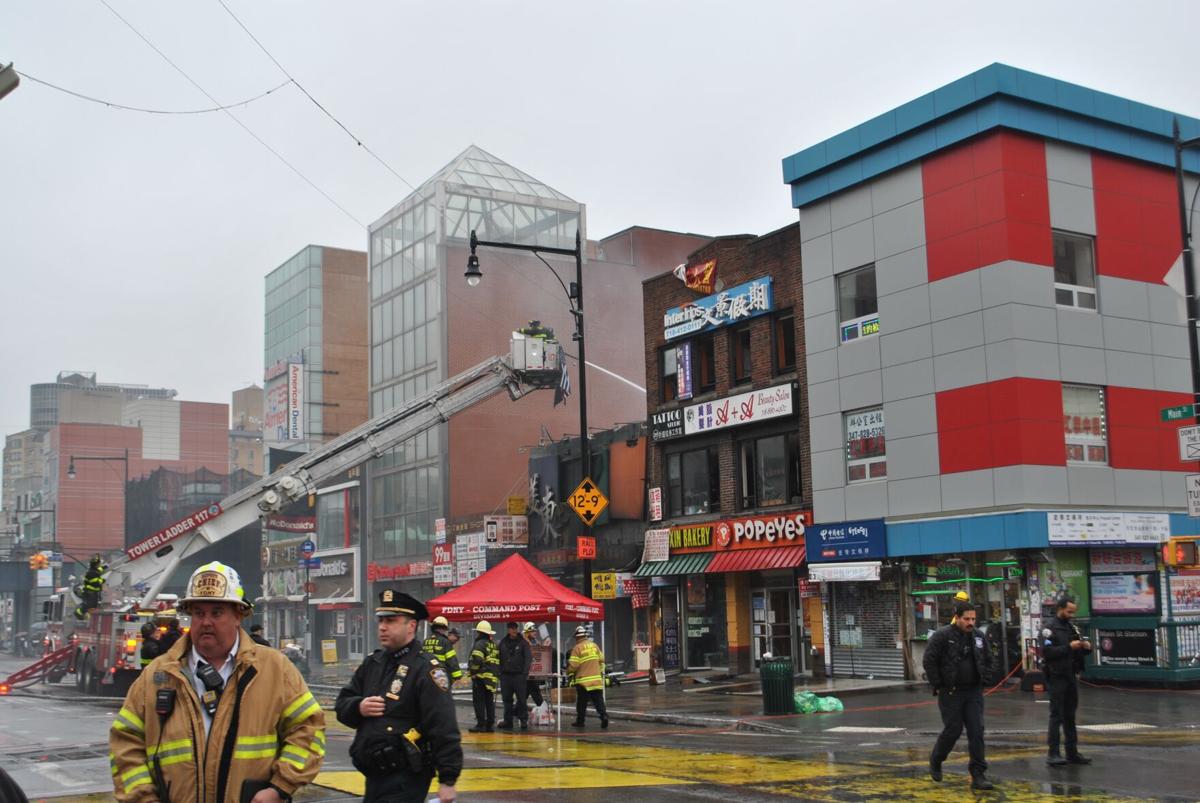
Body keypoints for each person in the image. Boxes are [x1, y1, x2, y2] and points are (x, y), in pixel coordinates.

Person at [110, 561, 325, 803]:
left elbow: (309, 729)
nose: (206, 622)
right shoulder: (158, 676)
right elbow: (125, 743)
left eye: (217, 612)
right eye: (199, 613)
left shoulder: (275, 669)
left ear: (238, 616)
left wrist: (279, 788)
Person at [336, 589, 462, 803]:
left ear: (411, 626)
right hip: (373, 773)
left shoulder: (427, 669)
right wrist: (359, 707)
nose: (383, 627)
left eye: (391, 621)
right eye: (381, 621)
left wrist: (447, 779)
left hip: (407, 776)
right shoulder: (373, 663)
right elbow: (342, 705)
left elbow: (443, 725)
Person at [923, 600, 995, 791]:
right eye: (967, 619)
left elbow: (989, 659)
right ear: (957, 617)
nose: (971, 622)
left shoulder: (978, 636)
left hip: (973, 692)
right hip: (951, 692)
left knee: (977, 731)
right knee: (953, 730)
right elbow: (929, 660)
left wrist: (985, 679)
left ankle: (978, 774)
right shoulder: (943, 636)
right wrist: (938, 684)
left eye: (973, 619)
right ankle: (936, 759)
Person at [1042, 596, 1093, 767]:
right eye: (1069, 611)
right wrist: (1068, 647)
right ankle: (1053, 753)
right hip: (1056, 675)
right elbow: (1047, 652)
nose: (1071, 615)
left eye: (1073, 612)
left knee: (1070, 715)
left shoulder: (1071, 627)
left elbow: (1077, 651)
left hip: (1070, 674)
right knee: (1056, 715)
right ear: (1060, 609)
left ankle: (1072, 752)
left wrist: (1086, 647)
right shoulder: (1050, 629)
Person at [567, 625, 608, 729]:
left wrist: (568, 672)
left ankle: (580, 721)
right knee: (598, 701)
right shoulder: (594, 646)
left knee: (581, 703)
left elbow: (573, 666)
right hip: (596, 680)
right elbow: (602, 661)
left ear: (577, 637)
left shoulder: (577, 648)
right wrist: (600, 672)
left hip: (583, 681)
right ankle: (604, 716)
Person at [497, 621, 532, 730]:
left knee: (521, 699)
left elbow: (528, 658)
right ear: (508, 629)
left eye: (515, 628)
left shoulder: (523, 642)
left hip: (518, 676)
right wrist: (500, 672)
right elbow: (498, 657)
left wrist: (524, 673)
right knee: (507, 700)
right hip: (506, 676)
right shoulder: (503, 642)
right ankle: (508, 721)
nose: (513, 630)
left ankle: (523, 720)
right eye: (511, 628)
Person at [467, 621, 499, 733]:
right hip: (491, 678)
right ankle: (490, 725)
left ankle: (480, 724)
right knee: (489, 701)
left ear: (480, 632)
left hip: (480, 677)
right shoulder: (493, 644)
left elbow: (477, 659)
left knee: (479, 701)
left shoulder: (480, 644)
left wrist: (474, 672)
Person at [423, 616, 463, 684]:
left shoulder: (425, 641)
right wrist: (457, 676)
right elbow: (452, 660)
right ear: (443, 629)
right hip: (441, 677)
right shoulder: (445, 642)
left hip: (426, 676)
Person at [74, 555, 107, 619]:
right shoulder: (91, 573)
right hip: (91, 593)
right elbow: (96, 583)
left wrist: (105, 567)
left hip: (91, 593)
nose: (100, 565)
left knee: (91, 605)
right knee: (90, 605)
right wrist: (102, 580)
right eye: (99, 564)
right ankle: (81, 615)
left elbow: (98, 570)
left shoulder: (93, 570)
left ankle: (82, 614)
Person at [523, 623, 544, 709]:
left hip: (533, 672)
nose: (535, 633)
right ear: (527, 632)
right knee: (535, 692)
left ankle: (515, 712)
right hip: (526, 672)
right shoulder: (523, 642)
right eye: (532, 631)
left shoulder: (535, 642)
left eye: (535, 631)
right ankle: (543, 710)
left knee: (524, 695)